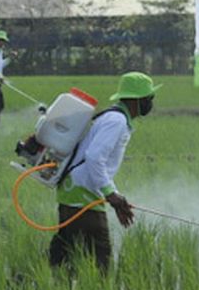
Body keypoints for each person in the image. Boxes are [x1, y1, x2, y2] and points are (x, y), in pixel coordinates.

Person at [49, 71, 160, 274]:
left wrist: (113, 195)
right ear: (136, 100)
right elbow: (94, 157)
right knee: (101, 263)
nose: (150, 103)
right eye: (148, 98)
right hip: (84, 196)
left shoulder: (112, 117)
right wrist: (111, 195)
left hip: (75, 191)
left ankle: (38, 286)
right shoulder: (116, 122)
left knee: (64, 257)